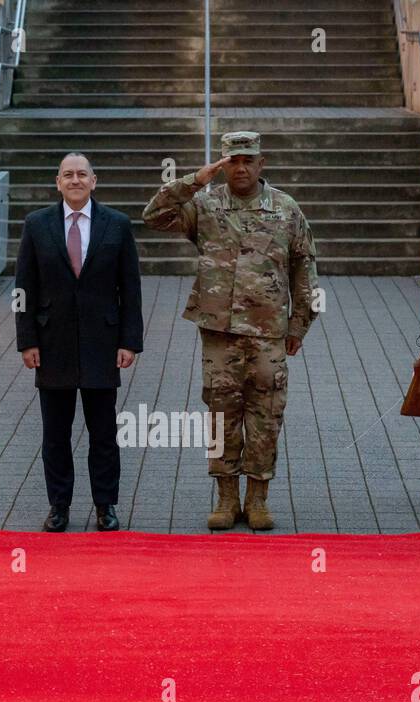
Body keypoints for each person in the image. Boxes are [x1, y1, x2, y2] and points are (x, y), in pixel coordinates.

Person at [143, 130, 318, 530]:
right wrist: (195, 180)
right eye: (232, 161)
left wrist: (299, 324)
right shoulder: (203, 205)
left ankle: (257, 497)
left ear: (261, 163)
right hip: (219, 332)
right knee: (221, 411)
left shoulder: (286, 209)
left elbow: (304, 269)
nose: (240, 168)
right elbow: (154, 216)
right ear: (222, 164)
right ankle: (225, 496)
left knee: (266, 413)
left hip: (268, 332)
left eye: (247, 160)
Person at [15, 152, 143, 532]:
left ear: (93, 181)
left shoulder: (116, 225)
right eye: (67, 175)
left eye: (81, 174)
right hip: (51, 345)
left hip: (102, 344)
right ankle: (59, 506)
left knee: (103, 433)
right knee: (56, 434)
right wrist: (26, 341)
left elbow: (131, 290)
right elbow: (23, 289)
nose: (75, 180)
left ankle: (106, 505)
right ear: (58, 183)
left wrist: (129, 342)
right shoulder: (37, 225)